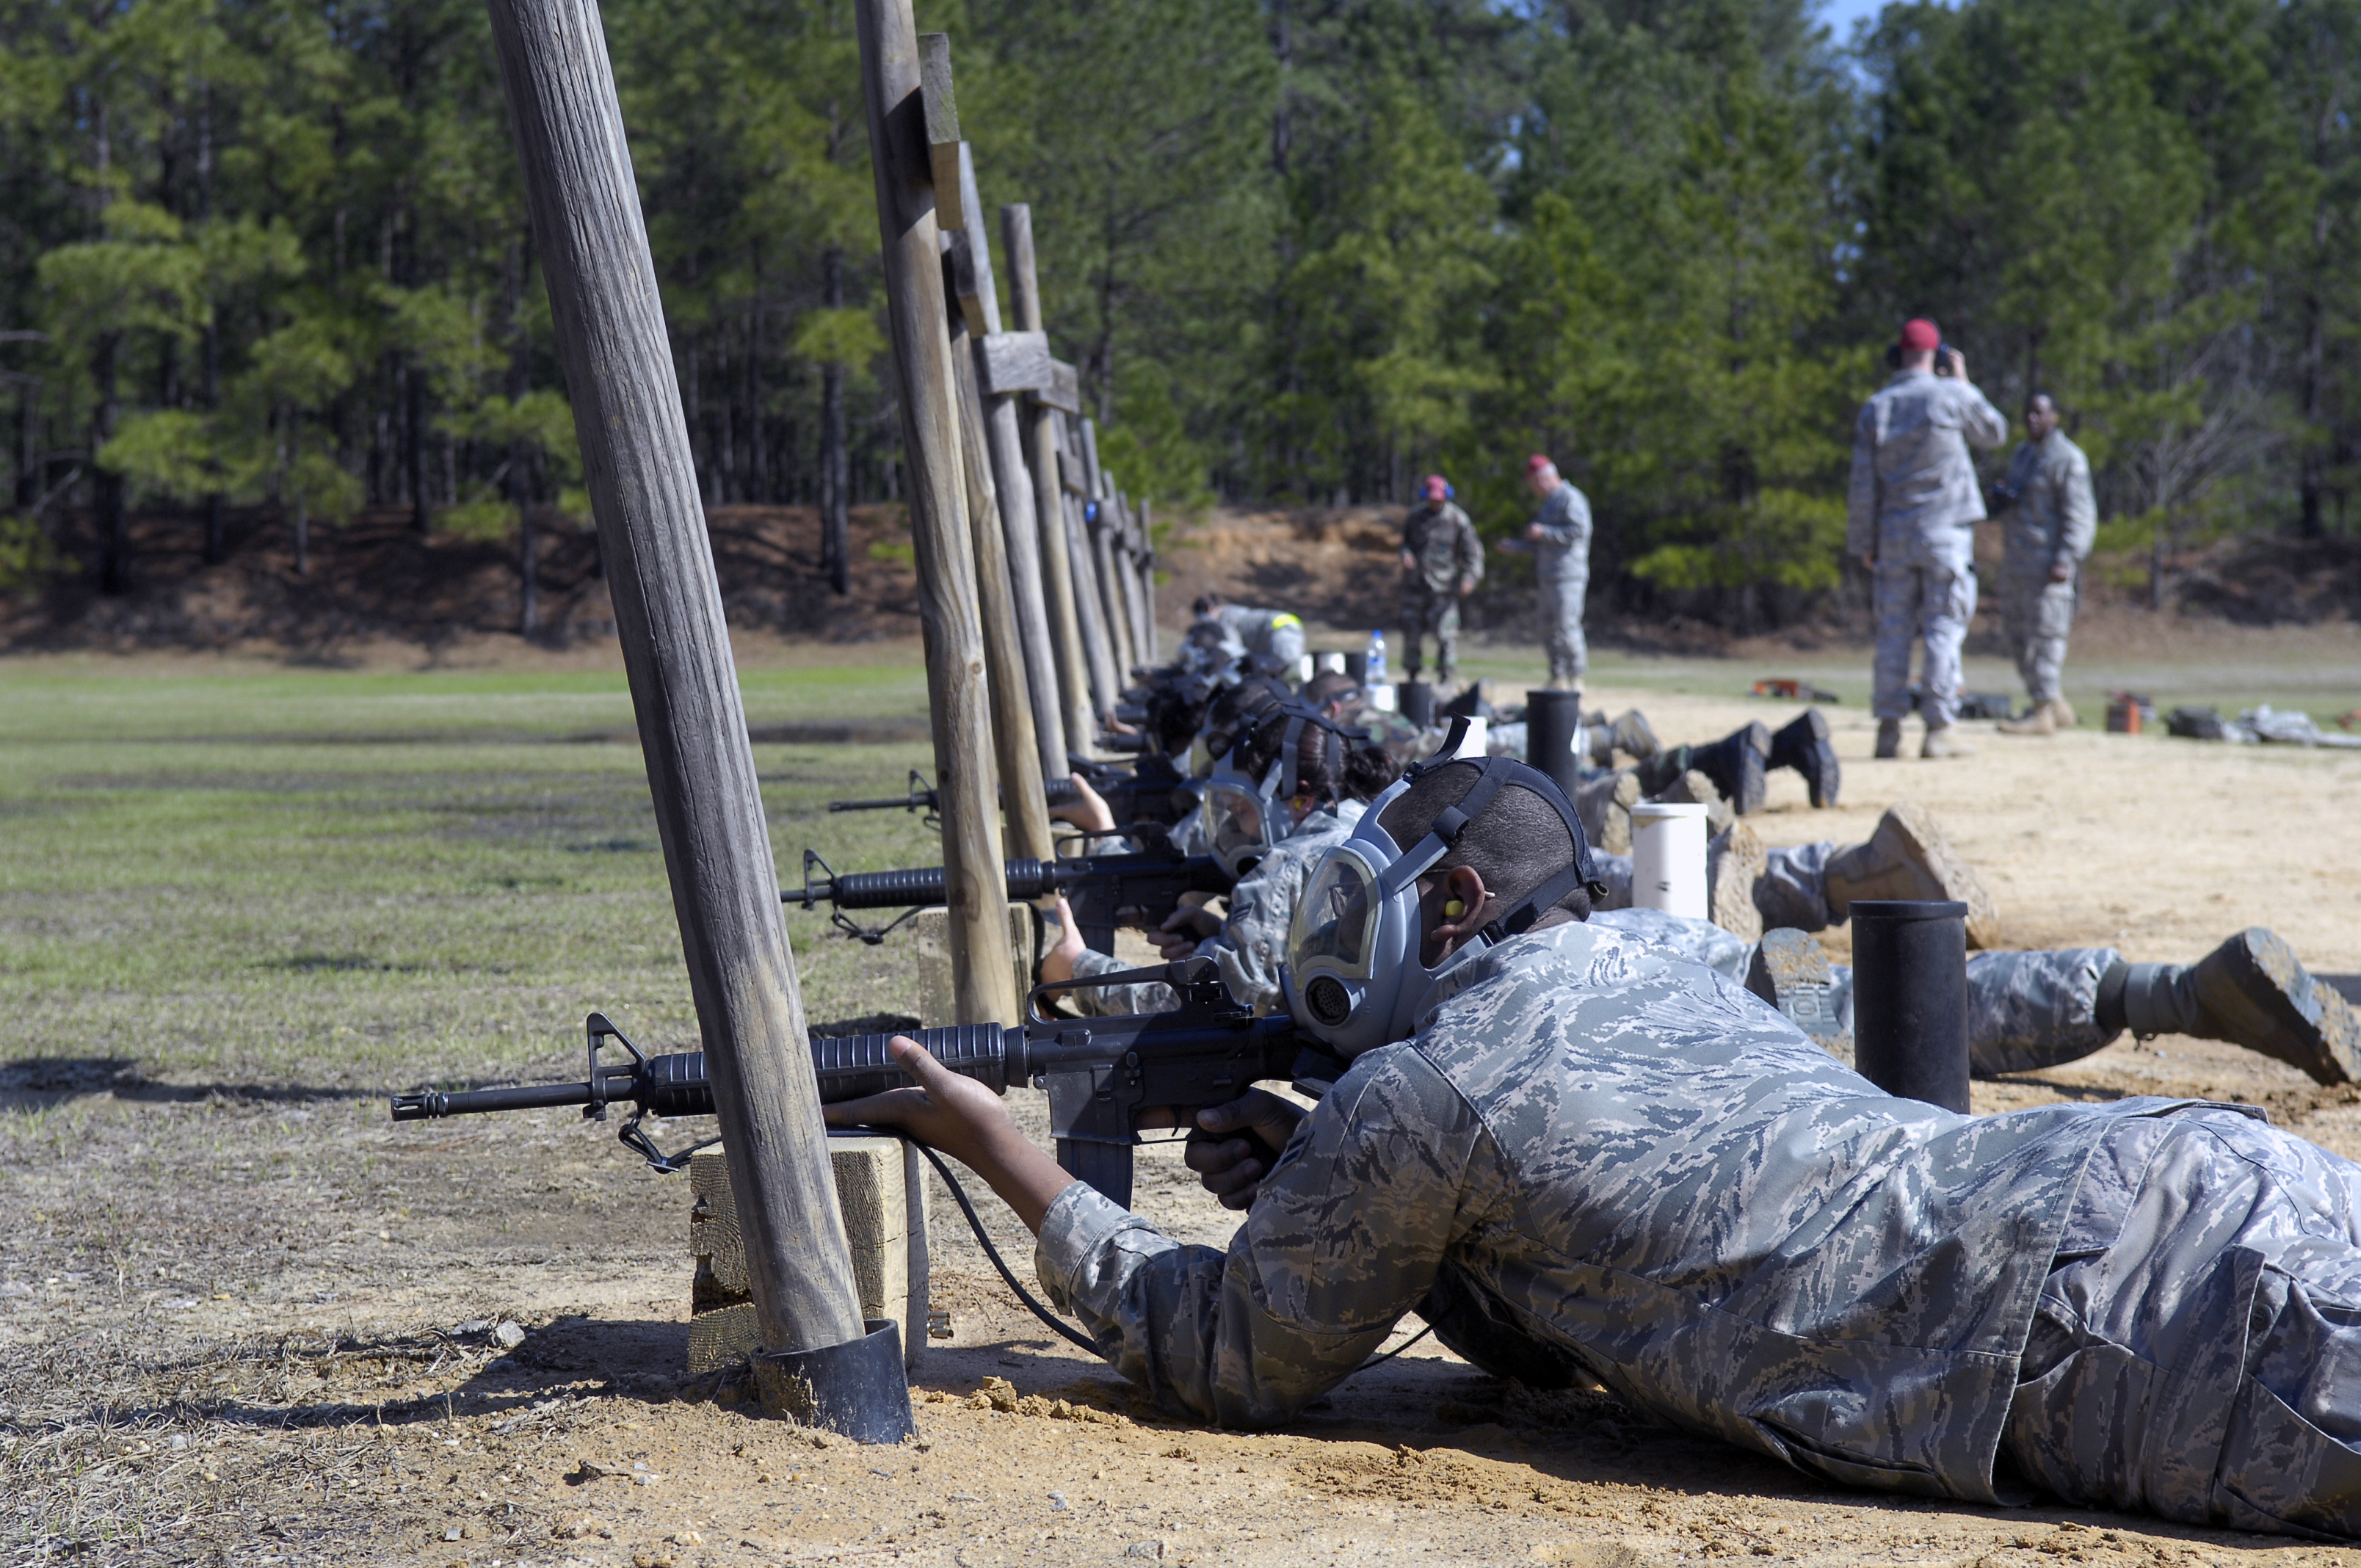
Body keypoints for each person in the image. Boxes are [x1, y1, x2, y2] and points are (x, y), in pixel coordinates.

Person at [831, 758, 2361, 1541]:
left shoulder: (1425, 1099)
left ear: (1443, 908)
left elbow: (1225, 1353)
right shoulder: (1670, 955)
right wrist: (1344, 1161)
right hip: (2182, 1191)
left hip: (2122, 1335)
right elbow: (1592, 1264)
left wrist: (992, 1148)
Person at [1042, 704, 1400, 1016]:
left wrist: (1078, 967)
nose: (1235, 826)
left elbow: (1201, 1008)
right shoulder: (1367, 826)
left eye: (1241, 810)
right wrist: (1220, 933)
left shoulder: (1285, 866)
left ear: (1301, 799)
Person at [1847, 319, 2009, 760]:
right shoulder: (1952, 396)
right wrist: (1964, 383)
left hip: (1894, 534)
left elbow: (1863, 484)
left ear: (1898, 354)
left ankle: (1888, 729)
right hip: (1945, 532)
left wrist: (1864, 541)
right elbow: (1995, 433)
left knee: (1893, 632)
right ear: (1937, 356)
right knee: (1943, 629)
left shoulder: (1877, 406)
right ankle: (1938, 729)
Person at [1990, 393, 2097, 738]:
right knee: (2017, 639)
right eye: (2028, 413)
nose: (2032, 419)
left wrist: (2067, 558)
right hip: (2018, 562)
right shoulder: (2023, 455)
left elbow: (2081, 516)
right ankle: (2055, 704)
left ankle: (2041, 714)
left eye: (2039, 412)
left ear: (2055, 416)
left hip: (2050, 566)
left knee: (2046, 639)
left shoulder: (2068, 459)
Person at [1398, 475, 1483, 686]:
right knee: (1411, 631)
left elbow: (1474, 553)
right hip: (1417, 585)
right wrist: (1405, 555)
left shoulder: (1457, 519)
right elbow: (1405, 544)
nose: (1435, 503)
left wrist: (1471, 578)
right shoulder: (1415, 517)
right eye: (1432, 499)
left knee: (1446, 634)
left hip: (1444, 587)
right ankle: (1412, 675)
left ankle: (1446, 676)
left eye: (1439, 499)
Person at [1520, 455, 1592, 692]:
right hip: (1547, 575)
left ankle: (1576, 677)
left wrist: (1544, 532)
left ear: (1544, 478)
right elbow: (1543, 540)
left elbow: (1579, 531)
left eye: (1533, 483)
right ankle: (1557, 676)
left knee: (1567, 626)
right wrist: (1518, 546)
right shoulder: (1549, 502)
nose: (1533, 489)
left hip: (1568, 576)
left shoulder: (1571, 498)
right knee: (1547, 627)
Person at [1192, 593, 1306, 680]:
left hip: (1278, 631)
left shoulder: (1226, 621)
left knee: (1288, 671)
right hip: (1289, 624)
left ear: (1210, 610)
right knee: (1292, 673)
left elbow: (1237, 651)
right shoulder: (1232, 610)